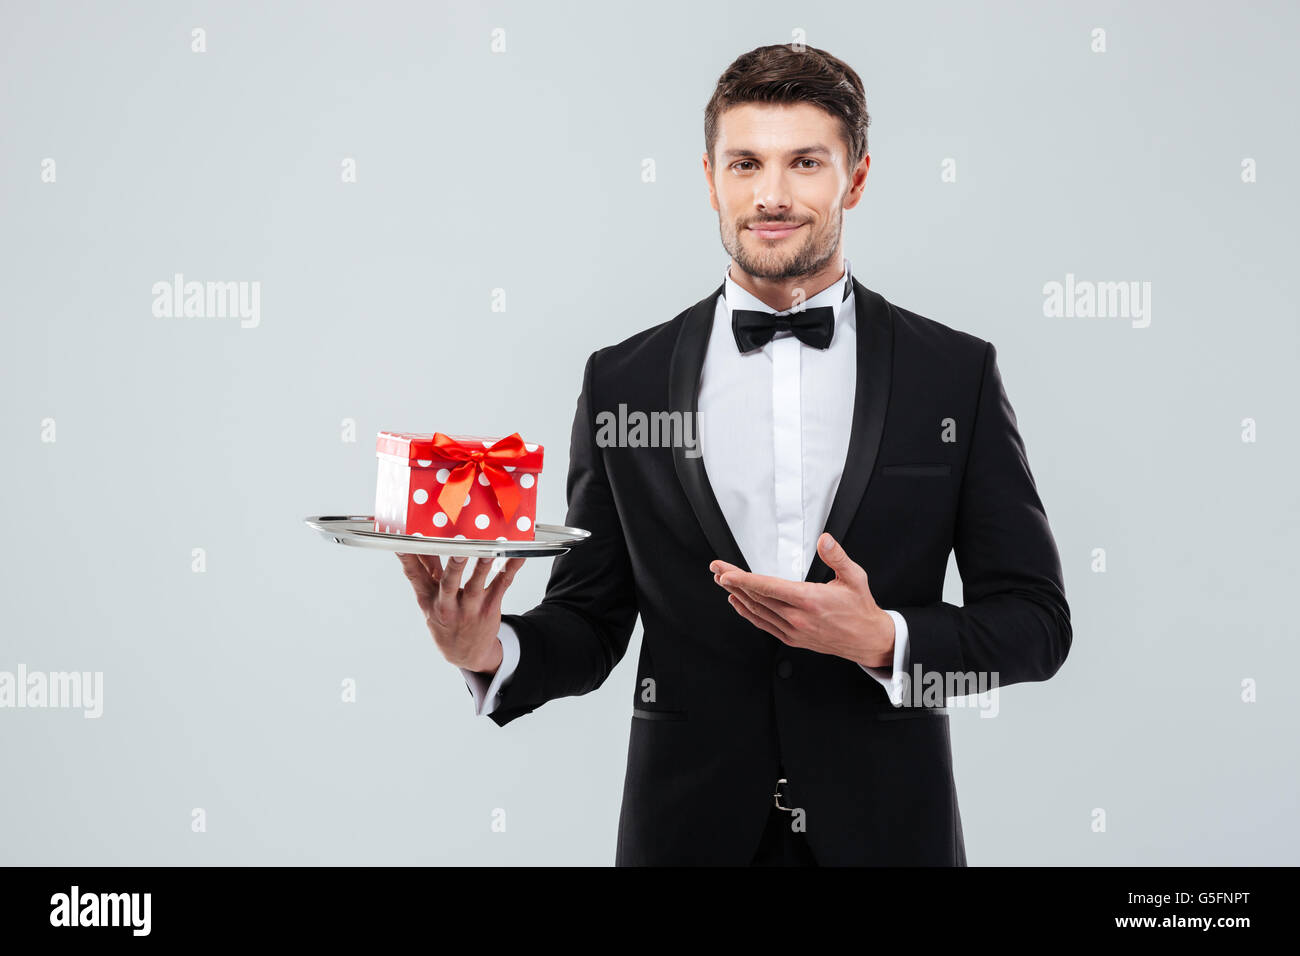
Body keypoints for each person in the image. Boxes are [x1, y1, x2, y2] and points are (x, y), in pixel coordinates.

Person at [397, 43, 1071, 866]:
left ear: (854, 180)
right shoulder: (623, 379)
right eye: (746, 163)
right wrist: (488, 653)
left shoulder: (954, 374)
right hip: (684, 836)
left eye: (806, 163)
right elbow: (591, 620)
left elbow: (1038, 629)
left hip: (892, 834)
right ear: (710, 177)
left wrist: (886, 640)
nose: (773, 195)